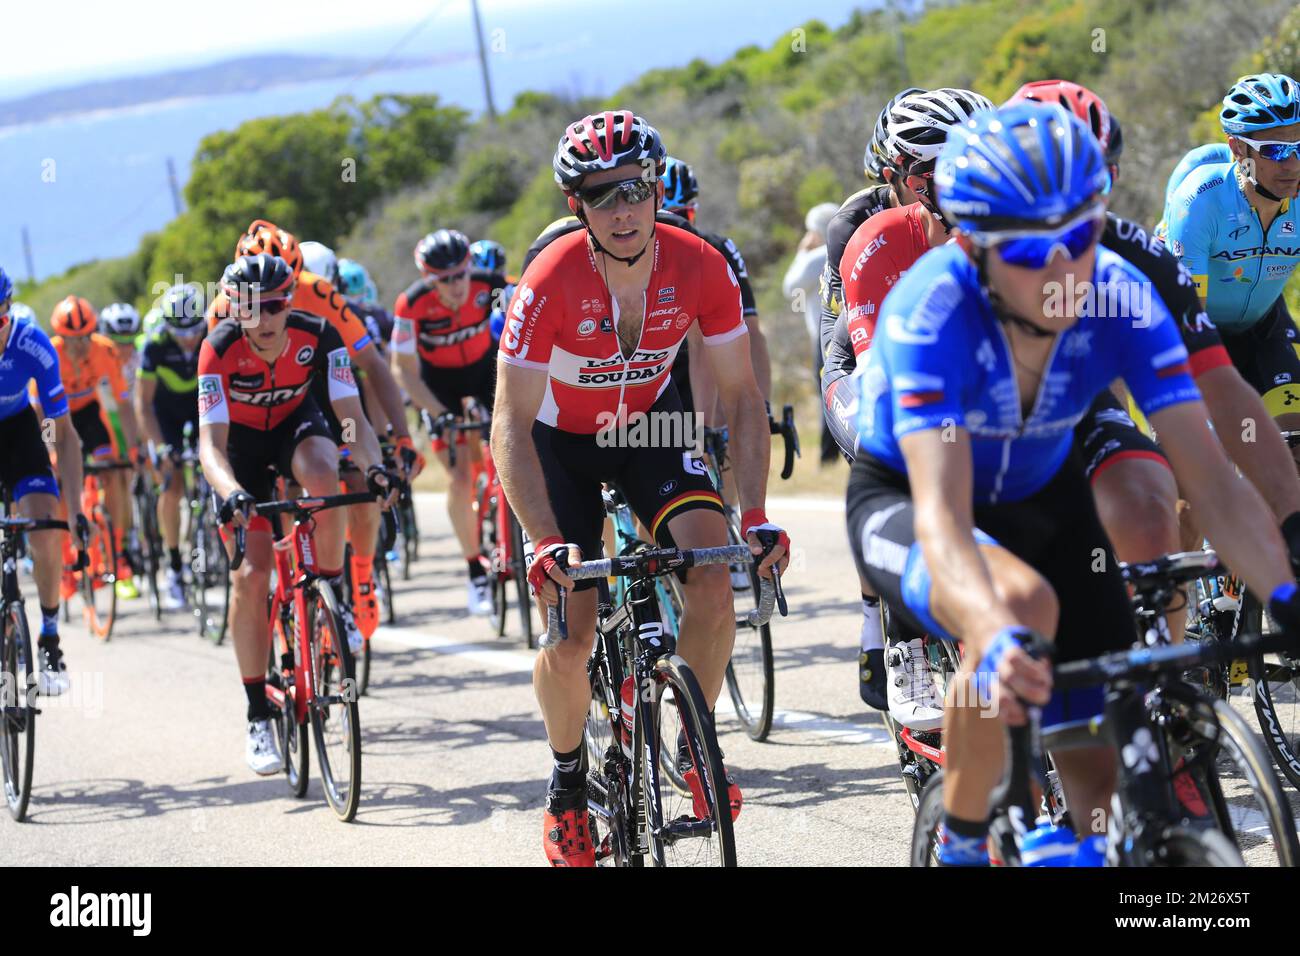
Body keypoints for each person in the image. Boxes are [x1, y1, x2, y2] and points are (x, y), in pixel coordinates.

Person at [848, 101, 1297, 866]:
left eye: (1080, 236)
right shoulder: (931, 314)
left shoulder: (1119, 290)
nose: (1063, 271)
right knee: (1018, 609)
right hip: (910, 501)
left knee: (1097, 766)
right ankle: (959, 838)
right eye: (1030, 251)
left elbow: (1213, 482)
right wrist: (989, 627)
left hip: (1040, 489)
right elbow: (947, 524)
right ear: (973, 245)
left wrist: (1286, 595)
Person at [492, 109, 789, 866]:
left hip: (650, 431)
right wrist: (542, 539)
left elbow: (745, 398)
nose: (622, 210)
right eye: (601, 196)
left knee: (715, 578)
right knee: (572, 634)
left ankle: (693, 739)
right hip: (559, 445)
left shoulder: (700, 265)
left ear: (656, 188)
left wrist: (753, 513)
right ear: (577, 208)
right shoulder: (547, 282)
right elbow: (510, 424)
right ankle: (565, 784)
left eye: (633, 190)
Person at [198, 254, 393, 774]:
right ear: (232, 309)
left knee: (326, 473)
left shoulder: (319, 334)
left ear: (292, 302)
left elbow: (352, 419)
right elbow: (210, 446)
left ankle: (332, 593)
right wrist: (232, 492)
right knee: (251, 574)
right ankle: (258, 712)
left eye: (275, 306)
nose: (264, 320)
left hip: (293, 429)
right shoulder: (216, 349)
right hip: (237, 456)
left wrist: (375, 469)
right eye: (250, 309)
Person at [209, 221, 421, 641]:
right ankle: (292, 595)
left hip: (318, 384)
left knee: (354, 476)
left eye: (284, 287)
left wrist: (400, 437)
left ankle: (355, 579)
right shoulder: (221, 310)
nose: (268, 305)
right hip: (253, 404)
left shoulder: (319, 293)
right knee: (278, 506)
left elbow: (373, 365)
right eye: (255, 299)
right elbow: (213, 389)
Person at [1163, 73, 1300, 445]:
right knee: (1204, 458)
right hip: (1194, 329)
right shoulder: (1200, 202)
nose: (1292, 164)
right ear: (1238, 149)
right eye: (1275, 150)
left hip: (1265, 326)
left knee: (1293, 442)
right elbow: (1189, 321)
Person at [391, 228, 507, 615]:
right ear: (428, 278)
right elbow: (403, 370)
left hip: (484, 371)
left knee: (521, 442)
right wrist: (439, 415)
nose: (456, 285)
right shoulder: (411, 304)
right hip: (437, 386)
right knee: (459, 476)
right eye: (444, 280)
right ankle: (475, 567)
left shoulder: (489, 286)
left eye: (461, 274)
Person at [0, 268, 87, 694]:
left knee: (45, 526)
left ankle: (50, 640)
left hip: (19, 431)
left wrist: (76, 508)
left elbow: (63, 434)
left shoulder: (32, 344)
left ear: (8, 313)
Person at [48, 296, 143, 600]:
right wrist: (49, 450)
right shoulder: (49, 354)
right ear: (61, 338)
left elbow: (124, 405)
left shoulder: (105, 351)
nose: (79, 346)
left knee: (113, 471)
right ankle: (66, 563)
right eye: (71, 340)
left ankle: (118, 553)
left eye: (84, 338)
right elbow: (41, 415)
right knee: (60, 483)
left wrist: (132, 449)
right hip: (58, 418)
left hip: (90, 415)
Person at [135, 283, 206, 609]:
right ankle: (175, 562)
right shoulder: (155, 346)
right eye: (182, 332)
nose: (190, 338)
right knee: (173, 485)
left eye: (195, 330)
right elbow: (143, 404)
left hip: (201, 405)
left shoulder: (211, 333)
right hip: (165, 415)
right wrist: (161, 448)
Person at [782, 202, 840, 462]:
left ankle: (828, 457)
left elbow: (790, 287)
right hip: (844, 331)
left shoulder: (818, 256)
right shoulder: (842, 247)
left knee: (827, 395)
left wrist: (800, 254)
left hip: (823, 335)